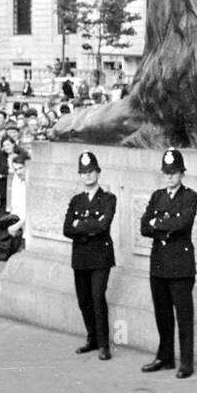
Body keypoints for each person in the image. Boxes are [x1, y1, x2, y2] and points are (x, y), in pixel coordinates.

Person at [139, 149, 197, 379]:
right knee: (162, 314)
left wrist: (158, 223)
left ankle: (186, 362)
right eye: (166, 173)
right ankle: (165, 357)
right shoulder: (157, 196)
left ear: (181, 174)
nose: (170, 177)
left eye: (174, 173)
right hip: (160, 265)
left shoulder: (190, 197)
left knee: (183, 316)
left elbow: (183, 223)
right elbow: (144, 226)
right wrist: (165, 225)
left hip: (181, 266)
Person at [64, 151, 116, 360]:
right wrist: (89, 227)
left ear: (98, 173)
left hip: (101, 257)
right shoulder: (76, 200)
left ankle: (104, 344)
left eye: (91, 171)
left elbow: (103, 225)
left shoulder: (108, 198)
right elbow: (67, 229)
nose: (87, 176)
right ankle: (92, 338)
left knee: (97, 297)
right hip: (81, 257)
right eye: (83, 172)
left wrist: (81, 226)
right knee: (84, 299)